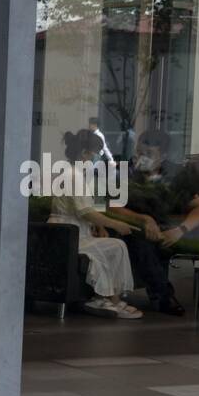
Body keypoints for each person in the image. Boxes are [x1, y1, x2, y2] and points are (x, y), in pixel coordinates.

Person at [113, 128, 199, 313]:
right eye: (139, 152)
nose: (142, 157)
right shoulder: (124, 171)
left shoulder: (176, 174)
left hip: (172, 228)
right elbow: (112, 207)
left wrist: (180, 230)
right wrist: (143, 219)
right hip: (139, 227)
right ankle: (162, 296)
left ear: (164, 155)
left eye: (149, 154)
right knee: (140, 240)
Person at [50, 129, 143, 319]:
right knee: (117, 246)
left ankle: (109, 299)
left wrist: (101, 226)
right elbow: (86, 211)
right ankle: (110, 300)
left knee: (113, 247)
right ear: (85, 153)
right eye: (95, 154)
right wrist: (115, 224)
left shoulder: (74, 174)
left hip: (72, 233)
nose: (96, 159)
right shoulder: (73, 176)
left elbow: (86, 209)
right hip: (69, 235)